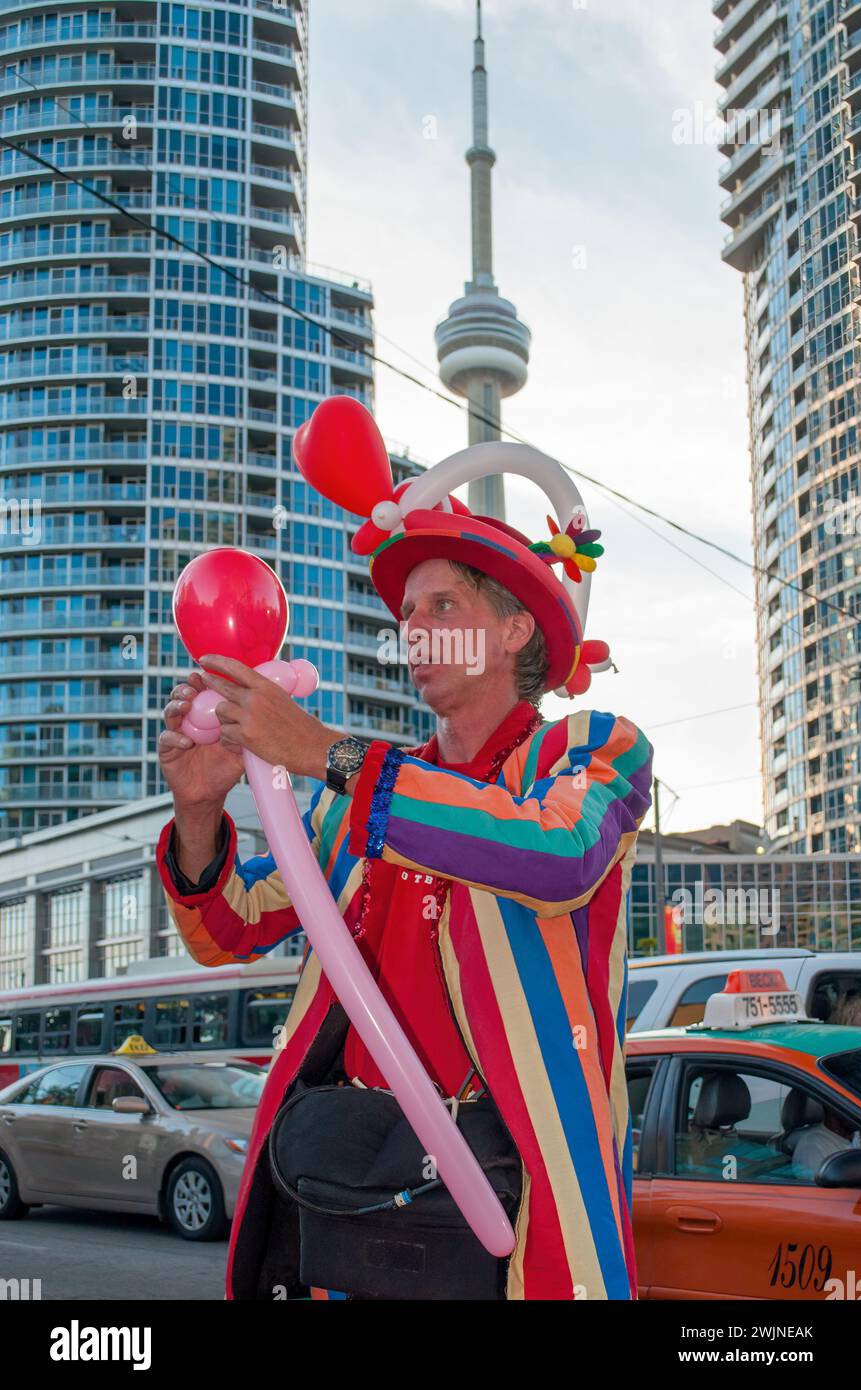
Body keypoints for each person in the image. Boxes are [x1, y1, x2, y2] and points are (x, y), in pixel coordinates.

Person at [155, 412, 654, 1300]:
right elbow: (228, 929)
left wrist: (330, 755)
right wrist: (200, 810)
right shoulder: (358, 802)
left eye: (443, 607)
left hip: (522, 1196)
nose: (415, 632)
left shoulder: (593, 747)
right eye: (407, 614)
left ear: (512, 630)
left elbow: (558, 850)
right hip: (355, 1193)